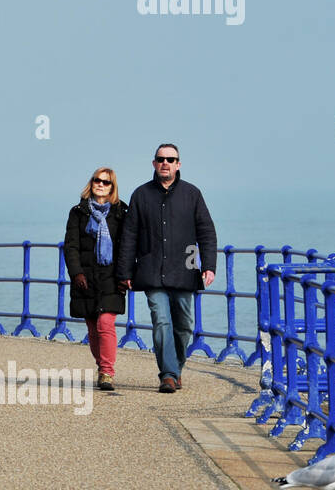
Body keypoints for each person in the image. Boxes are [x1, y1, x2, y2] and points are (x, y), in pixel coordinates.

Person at [117, 143, 218, 393]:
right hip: (151, 271)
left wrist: (209, 266)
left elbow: (206, 232)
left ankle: (176, 368)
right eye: (161, 159)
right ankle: (169, 375)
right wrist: (125, 272)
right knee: (161, 321)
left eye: (171, 159)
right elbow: (129, 235)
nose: (165, 163)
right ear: (154, 163)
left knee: (184, 325)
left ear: (178, 164)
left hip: (185, 268)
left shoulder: (192, 194)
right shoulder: (140, 195)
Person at [62, 168, 128, 391]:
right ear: (91, 183)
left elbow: (127, 246)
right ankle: (101, 366)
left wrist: (126, 275)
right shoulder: (78, 212)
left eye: (106, 182)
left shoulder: (121, 212)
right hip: (86, 278)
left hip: (112, 277)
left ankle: (107, 372)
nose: (101, 184)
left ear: (112, 187)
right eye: (97, 180)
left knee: (105, 323)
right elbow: (70, 246)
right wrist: (76, 273)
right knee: (92, 327)